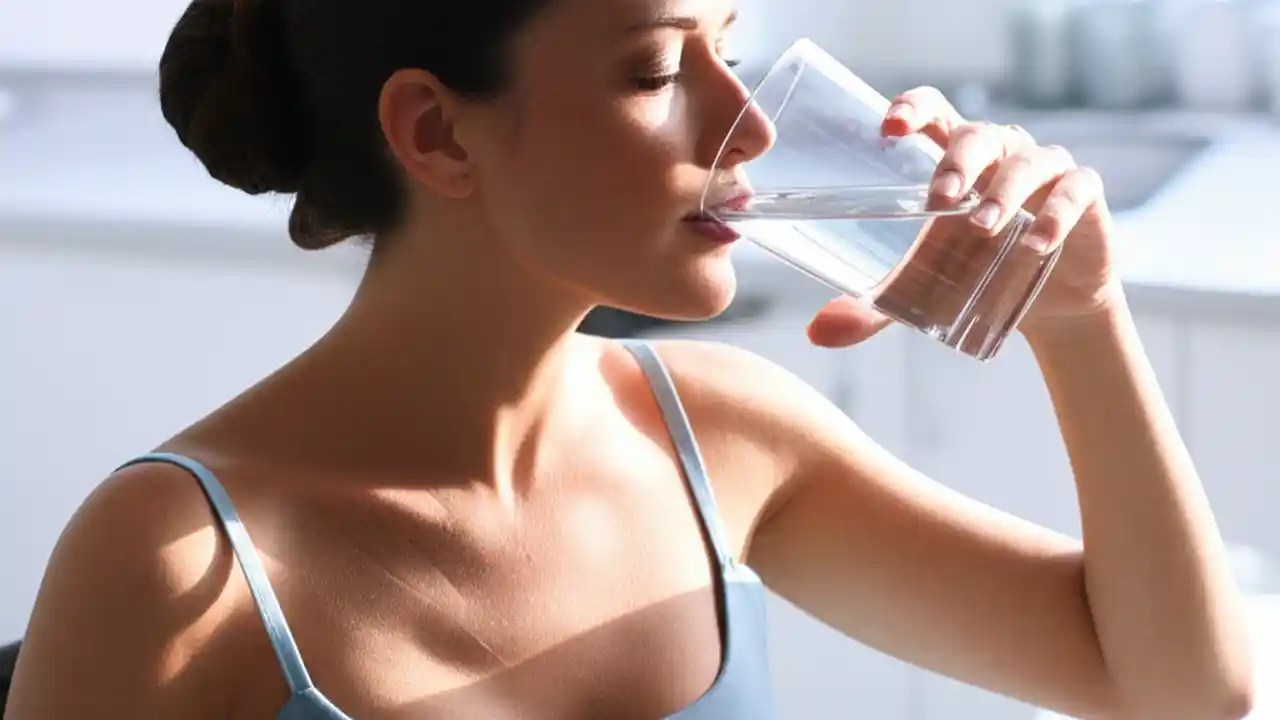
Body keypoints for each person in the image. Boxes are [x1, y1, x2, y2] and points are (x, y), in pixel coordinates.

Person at [4, 0, 1256, 717]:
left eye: (729, 41)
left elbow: (1185, 697)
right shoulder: (174, 566)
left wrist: (1079, 320)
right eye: (660, 70)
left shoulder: (723, 444)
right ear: (436, 134)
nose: (748, 122)